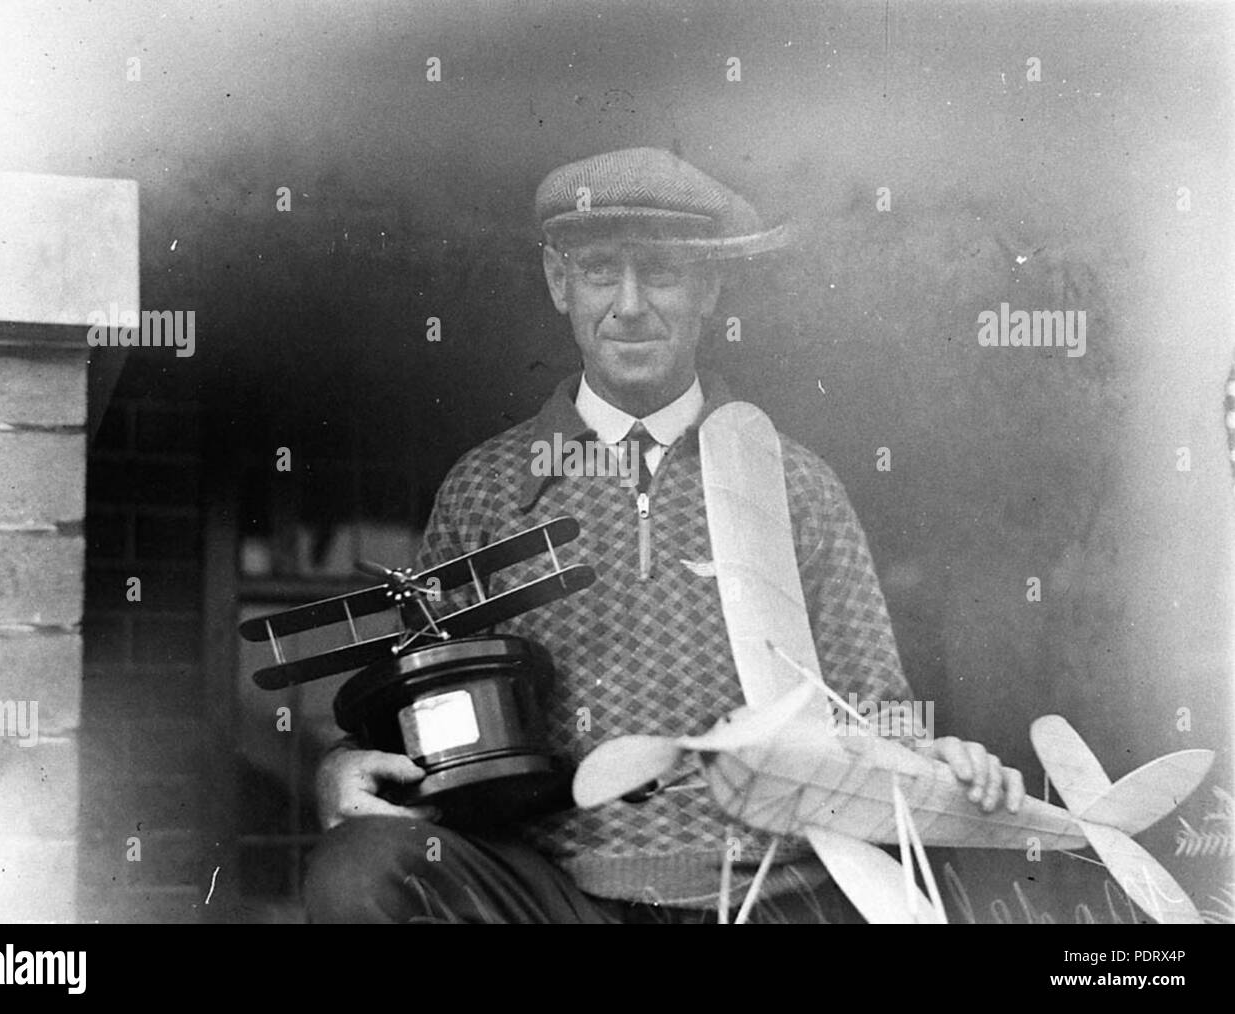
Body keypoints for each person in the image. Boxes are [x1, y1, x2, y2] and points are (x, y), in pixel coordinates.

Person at [302, 147, 1024, 924]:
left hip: (768, 888)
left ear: (710, 290)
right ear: (558, 282)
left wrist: (931, 759)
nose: (631, 303)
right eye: (601, 270)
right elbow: (417, 712)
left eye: (664, 273)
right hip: (555, 893)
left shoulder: (797, 484)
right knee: (364, 873)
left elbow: (873, 708)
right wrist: (339, 769)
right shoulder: (485, 487)